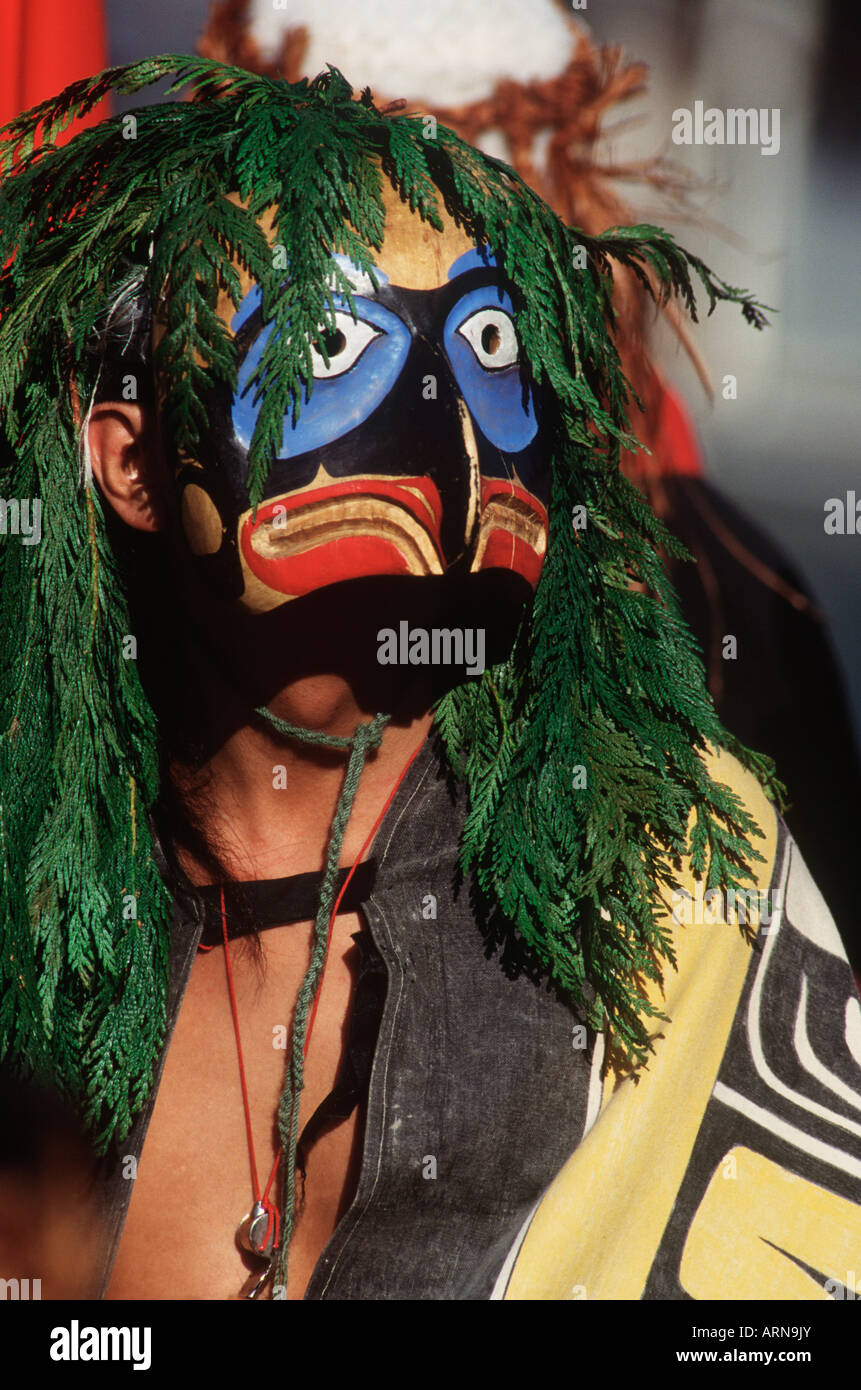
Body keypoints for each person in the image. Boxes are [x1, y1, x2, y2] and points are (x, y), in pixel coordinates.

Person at [1, 54, 859, 1302]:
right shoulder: (45, 895)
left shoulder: (664, 868)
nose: (442, 421)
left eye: (485, 341)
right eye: (330, 343)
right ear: (130, 464)